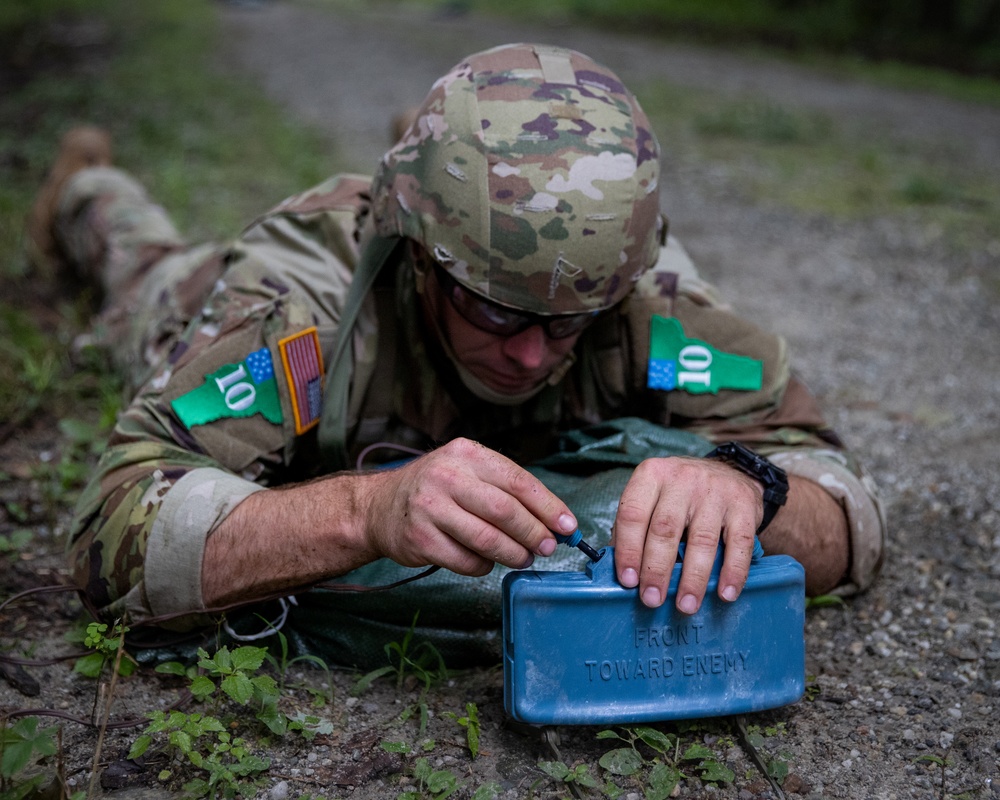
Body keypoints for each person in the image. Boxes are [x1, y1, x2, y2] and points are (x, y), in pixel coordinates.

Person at [30, 43, 884, 665]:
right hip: (189, 293)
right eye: (492, 305)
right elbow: (113, 523)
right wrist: (362, 513)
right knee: (142, 267)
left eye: (570, 322)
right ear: (419, 251)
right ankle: (85, 187)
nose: (531, 355)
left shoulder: (641, 303)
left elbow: (845, 501)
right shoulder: (305, 315)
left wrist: (751, 486)